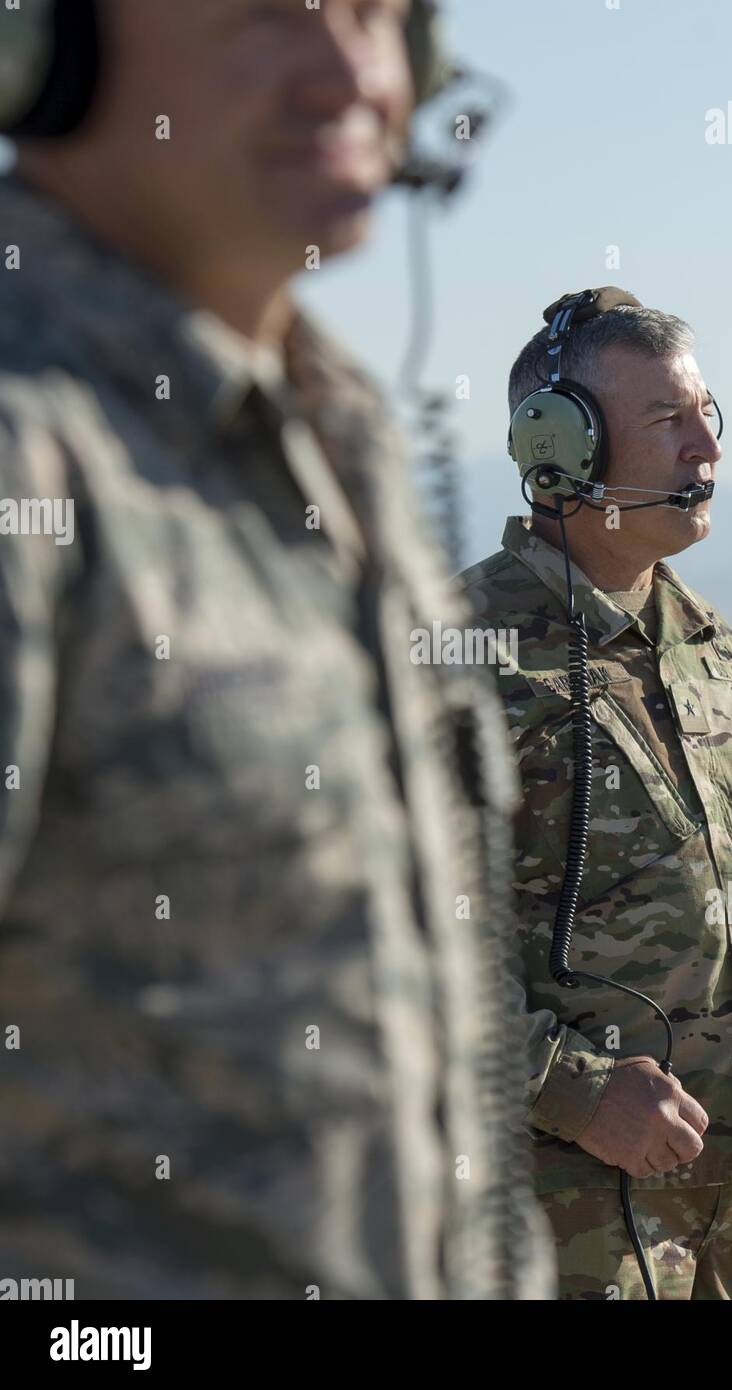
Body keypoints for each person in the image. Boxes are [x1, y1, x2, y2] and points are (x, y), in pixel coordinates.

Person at [0, 0, 551, 1300]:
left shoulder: (338, 435)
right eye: (264, 14)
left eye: (379, 14)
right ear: (42, 40)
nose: (352, 75)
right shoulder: (32, 456)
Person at [460, 290, 732, 1299]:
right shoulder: (461, 650)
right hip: (568, 1219)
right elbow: (386, 947)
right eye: (669, 421)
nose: (706, 448)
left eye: (707, 413)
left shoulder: (714, 650)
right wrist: (573, 1094)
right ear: (561, 450)